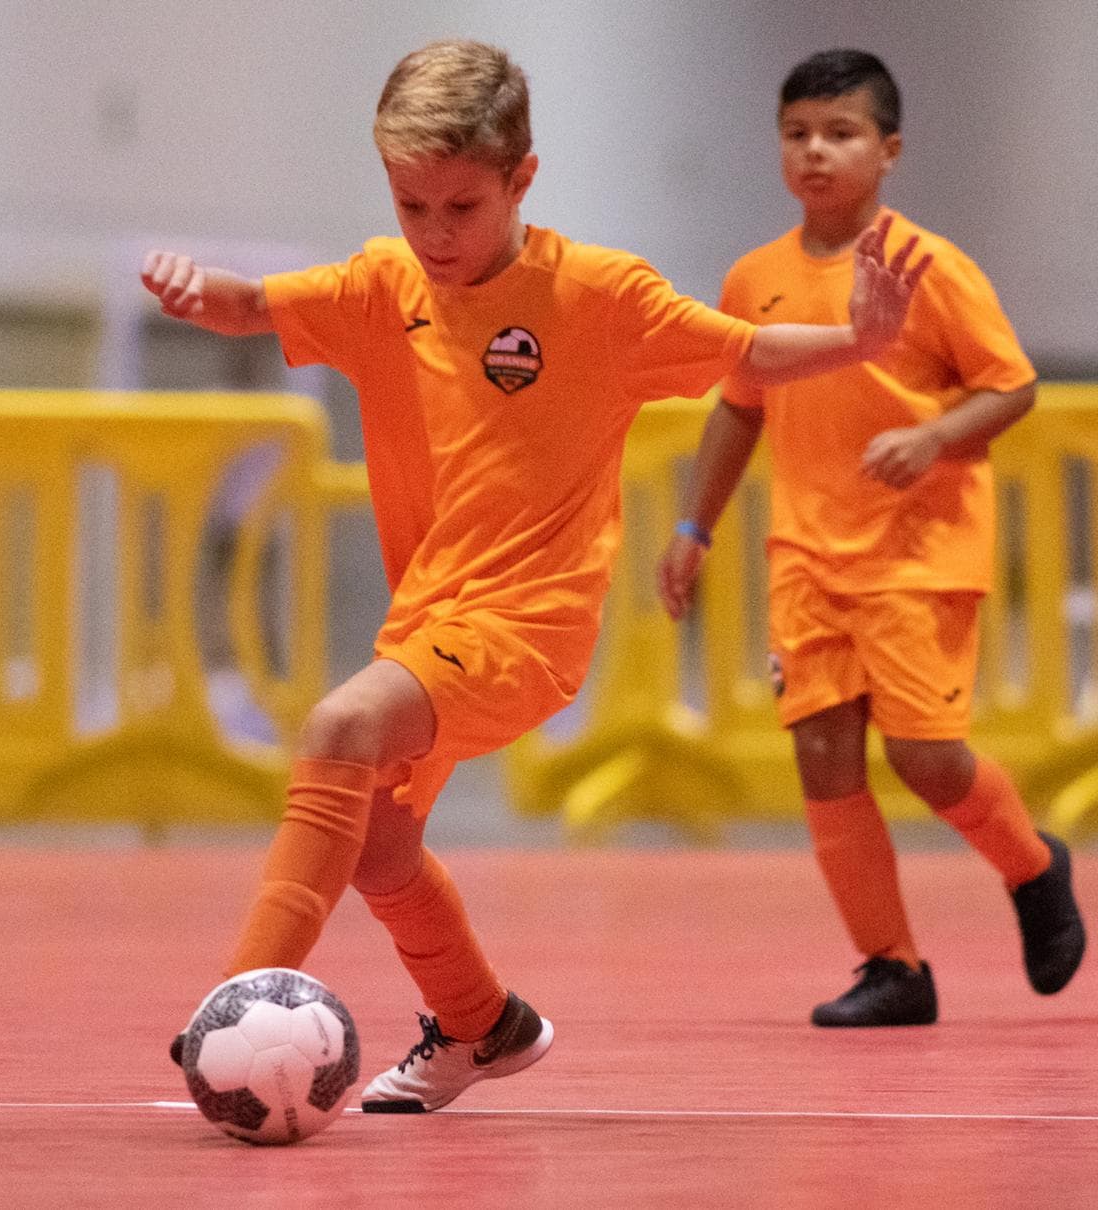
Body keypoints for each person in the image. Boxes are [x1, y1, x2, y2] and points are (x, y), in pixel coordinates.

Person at [144, 38, 927, 1110]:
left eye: (460, 207)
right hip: (424, 622)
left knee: (337, 728)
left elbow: (745, 351)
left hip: (529, 628)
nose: (434, 234)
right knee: (376, 844)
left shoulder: (598, 298)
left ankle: (223, 1019)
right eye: (410, 205)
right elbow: (255, 307)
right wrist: (198, 289)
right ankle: (482, 1023)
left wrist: (858, 338)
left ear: (523, 178)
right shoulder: (384, 285)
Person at [658, 49, 1083, 1027]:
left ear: (886, 150)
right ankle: (891, 967)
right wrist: (693, 525)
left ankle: (1031, 863)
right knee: (822, 759)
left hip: (918, 551)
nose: (816, 151)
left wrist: (933, 435)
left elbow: (1009, 385)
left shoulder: (930, 268)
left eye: (840, 133)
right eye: (798, 132)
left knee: (927, 759)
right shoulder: (754, 277)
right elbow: (738, 407)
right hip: (805, 558)